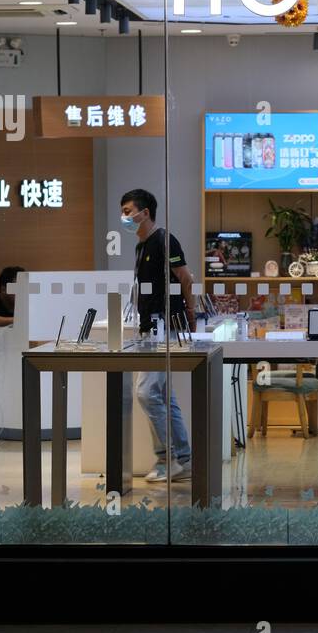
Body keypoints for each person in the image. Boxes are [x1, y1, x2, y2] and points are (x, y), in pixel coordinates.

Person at [121, 188, 198, 482]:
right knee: (163, 394)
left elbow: (186, 278)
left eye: (128, 211)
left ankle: (168, 460)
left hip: (166, 326)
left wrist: (190, 315)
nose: (125, 217)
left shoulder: (165, 240)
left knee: (145, 391)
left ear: (145, 212)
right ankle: (183, 459)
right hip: (148, 327)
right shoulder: (141, 246)